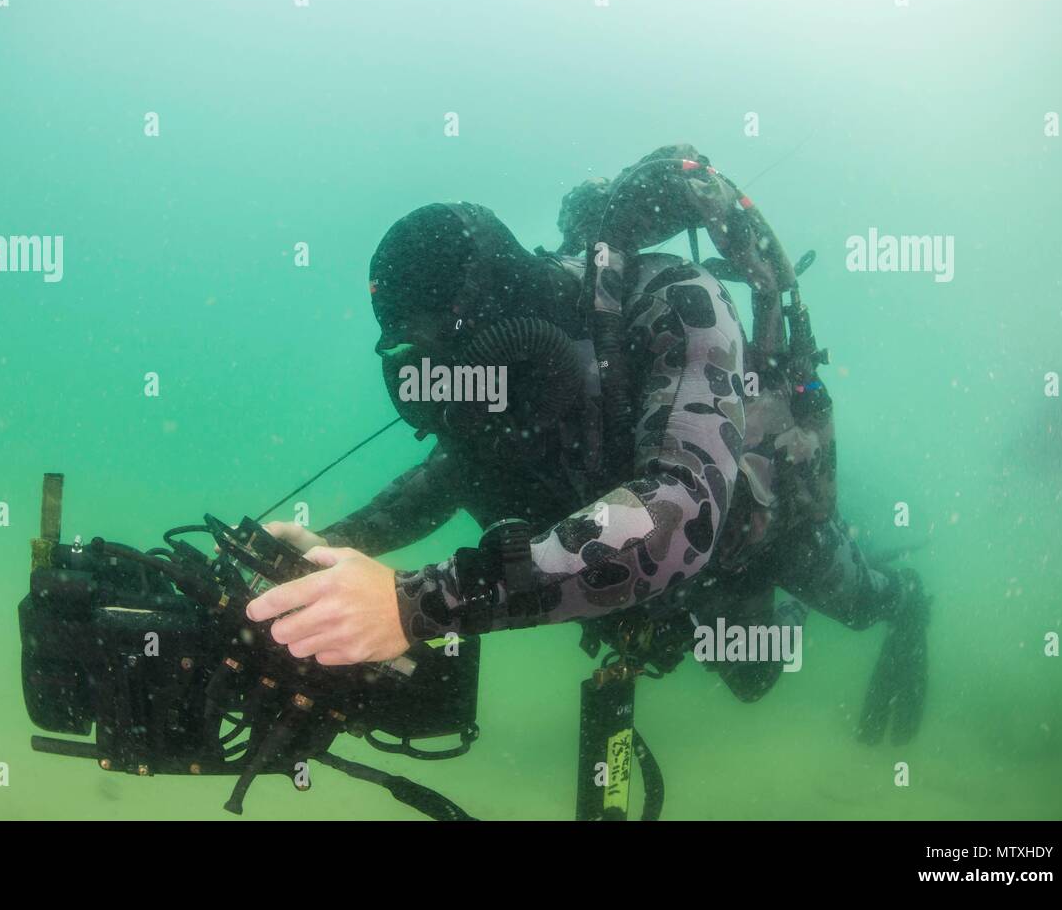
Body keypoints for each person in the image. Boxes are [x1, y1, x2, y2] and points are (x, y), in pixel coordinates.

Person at [246, 144, 929, 746]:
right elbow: (453, 473)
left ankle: (906, 597)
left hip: (754, 529)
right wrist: (335, 545)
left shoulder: (676, 300)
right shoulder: (498, 375)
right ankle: (771, 616)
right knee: (743, 668)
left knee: (827, 620)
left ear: (509, 328)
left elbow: (683, 510)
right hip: (654, 578)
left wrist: (415, 603)